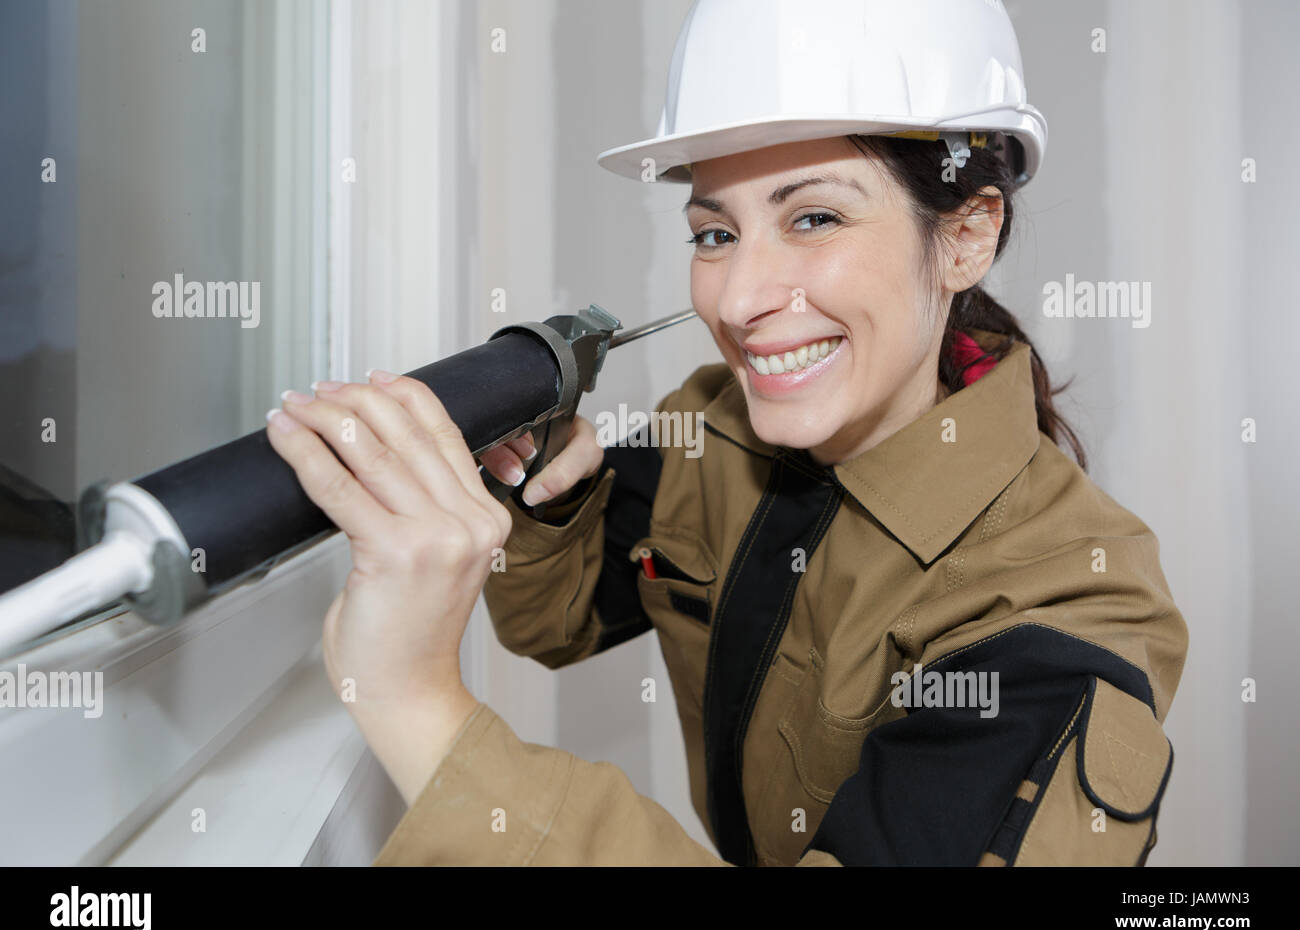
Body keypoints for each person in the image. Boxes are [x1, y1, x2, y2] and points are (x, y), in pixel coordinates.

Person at [266, 0, 1188, 866]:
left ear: (966, 236)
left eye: (814, 217)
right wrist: (547, 497)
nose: (740, 301)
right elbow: (556, 623)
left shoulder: (1066, 614)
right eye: (714, 234)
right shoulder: (715, 430)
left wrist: (412, 701)